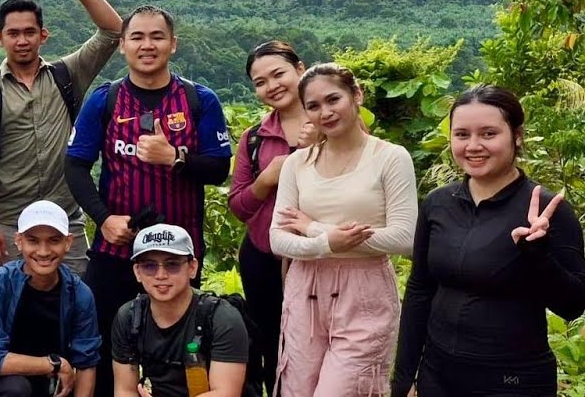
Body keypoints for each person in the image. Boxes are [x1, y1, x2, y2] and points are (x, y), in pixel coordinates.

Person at [64, 5, 232, 397]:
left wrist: (174, 157)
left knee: (184, 349)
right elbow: (75, 166)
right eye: (137, 37)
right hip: (115, 249)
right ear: (122, 45)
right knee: (105, 344)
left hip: (179, 253)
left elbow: (218, 168)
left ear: (173, 44)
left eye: (157, 36)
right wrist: (104, 219)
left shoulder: (198, 100)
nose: (147, 45)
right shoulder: (105, 100)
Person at [392, 85, 585, 396]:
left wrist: (537, 257)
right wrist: (403, 378)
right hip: (437, 376)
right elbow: (420, 290)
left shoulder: (547, 212)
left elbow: (573, 305)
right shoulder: (438, 203)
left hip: (513, 381)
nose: (473, 145)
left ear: (517, 136)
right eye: (462, 134)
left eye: (488, 134)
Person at [269, 63, 417, 396]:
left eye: (333, 99)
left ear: (356, 95)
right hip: (305, 291)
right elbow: (277, 238)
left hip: (364, 292)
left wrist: (315, 228)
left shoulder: (390, 158)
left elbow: (405, 238)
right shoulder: (297, 163)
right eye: (313, 106)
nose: (326, 112)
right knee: (298, 390)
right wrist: (325, 243)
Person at [0, 0, 121, 275]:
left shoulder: (67, 75)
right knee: (14, 310)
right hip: (11, 223)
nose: (22, 41)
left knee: (76, 304)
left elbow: (113, 31)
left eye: (29, 32)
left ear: (44, 35)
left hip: (64, 217)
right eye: (13, 33)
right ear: (0, 38)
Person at [225, 41, 314, 394]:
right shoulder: (254, 139)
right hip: (261, 258)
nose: (272, 86)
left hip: (315, 258)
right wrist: (267, 178)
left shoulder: (336, 127)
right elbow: (239, 206)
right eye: (260, 82)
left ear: (300, 69)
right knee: (267, 340)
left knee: (309, 343)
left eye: (279, 74)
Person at [0, 200, 101, 397]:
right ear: (19, 241)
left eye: (54, 240)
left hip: (46, 385)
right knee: (16, 388)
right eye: (33, 240)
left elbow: (87, 361)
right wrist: (54, 364)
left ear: (68, 242)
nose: (44, 251)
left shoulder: (79, 294)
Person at [111, 223, 249, 397]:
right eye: (149, 266)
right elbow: (124, 390)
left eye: (172, 264)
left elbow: (226, 393)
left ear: (192, 267)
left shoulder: (221, 318)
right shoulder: (130, 317)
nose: (161, 275)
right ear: (137, 272)